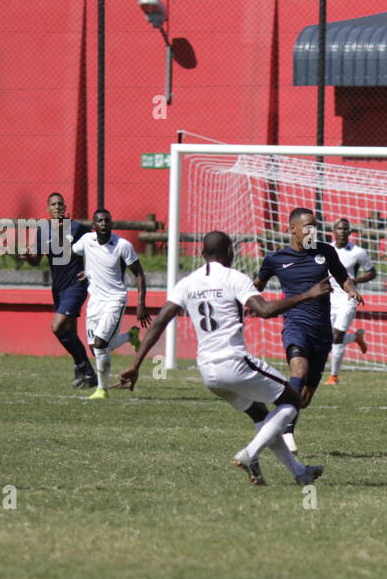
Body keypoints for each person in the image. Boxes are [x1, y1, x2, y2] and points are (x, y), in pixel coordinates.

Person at [115, 231, 328, 486]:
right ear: (230, 252)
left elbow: (159, 322)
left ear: (203, 254)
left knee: (261, 415)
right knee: (293, 401)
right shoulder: (234, 278)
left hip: (207, 372)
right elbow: (265, 311)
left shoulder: (187, 283)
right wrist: (308, 294)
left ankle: (299, 472)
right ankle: (250, 453)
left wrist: (135, 364)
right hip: (233, 362)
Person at [255, 208, 364, 456]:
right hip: (296, 325)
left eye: (314, 226)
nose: (311, 231)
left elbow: (342, 276)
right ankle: (284, 430)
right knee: (299, 371)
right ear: (292, 228)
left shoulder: (325, 252)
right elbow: (256, 287)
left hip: (321, 331)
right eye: (307, 227)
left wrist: (351, 290)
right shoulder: (276, 259)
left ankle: (283, 416)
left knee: (304, 399)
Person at [71, 209, 150, 399]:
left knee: (100, 344)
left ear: (111, 224)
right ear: (94, 226)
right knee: (95, 348)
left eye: (107, 220)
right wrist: (86, 270)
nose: (104, 223)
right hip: (95, 301)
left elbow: (138, 273)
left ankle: (102, 390)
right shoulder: (86, 241)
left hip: (115, 300)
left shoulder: (122, 245)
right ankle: (130, 336)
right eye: (100, 221)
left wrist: (141, 303)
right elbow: (74, 253)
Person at [18, 192, 94, 387]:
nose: (58, 207)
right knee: (69, 331)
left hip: (76, 285)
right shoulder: (43, 230)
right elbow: (36, 261)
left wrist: (91, 270)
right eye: (53, 204)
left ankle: (82, 365)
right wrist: (27, 257)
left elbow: (98, 245)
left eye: (60, 204)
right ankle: (85, 371)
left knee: (57, 326)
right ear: (48, 209)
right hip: (58, 288)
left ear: (65, 207)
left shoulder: (77, 228)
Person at [324, 217, 373, 386]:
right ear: (333, 231)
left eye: (346, 229)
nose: (342, 231)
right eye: (339, 228)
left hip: (348, 298)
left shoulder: (357, 252)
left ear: (350, 233)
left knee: (337, 336)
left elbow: (372, 272)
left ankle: (334, 377)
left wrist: (354, 282)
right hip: (330, 298)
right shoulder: (326, 249)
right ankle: (355, 338)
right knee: (328, 337)